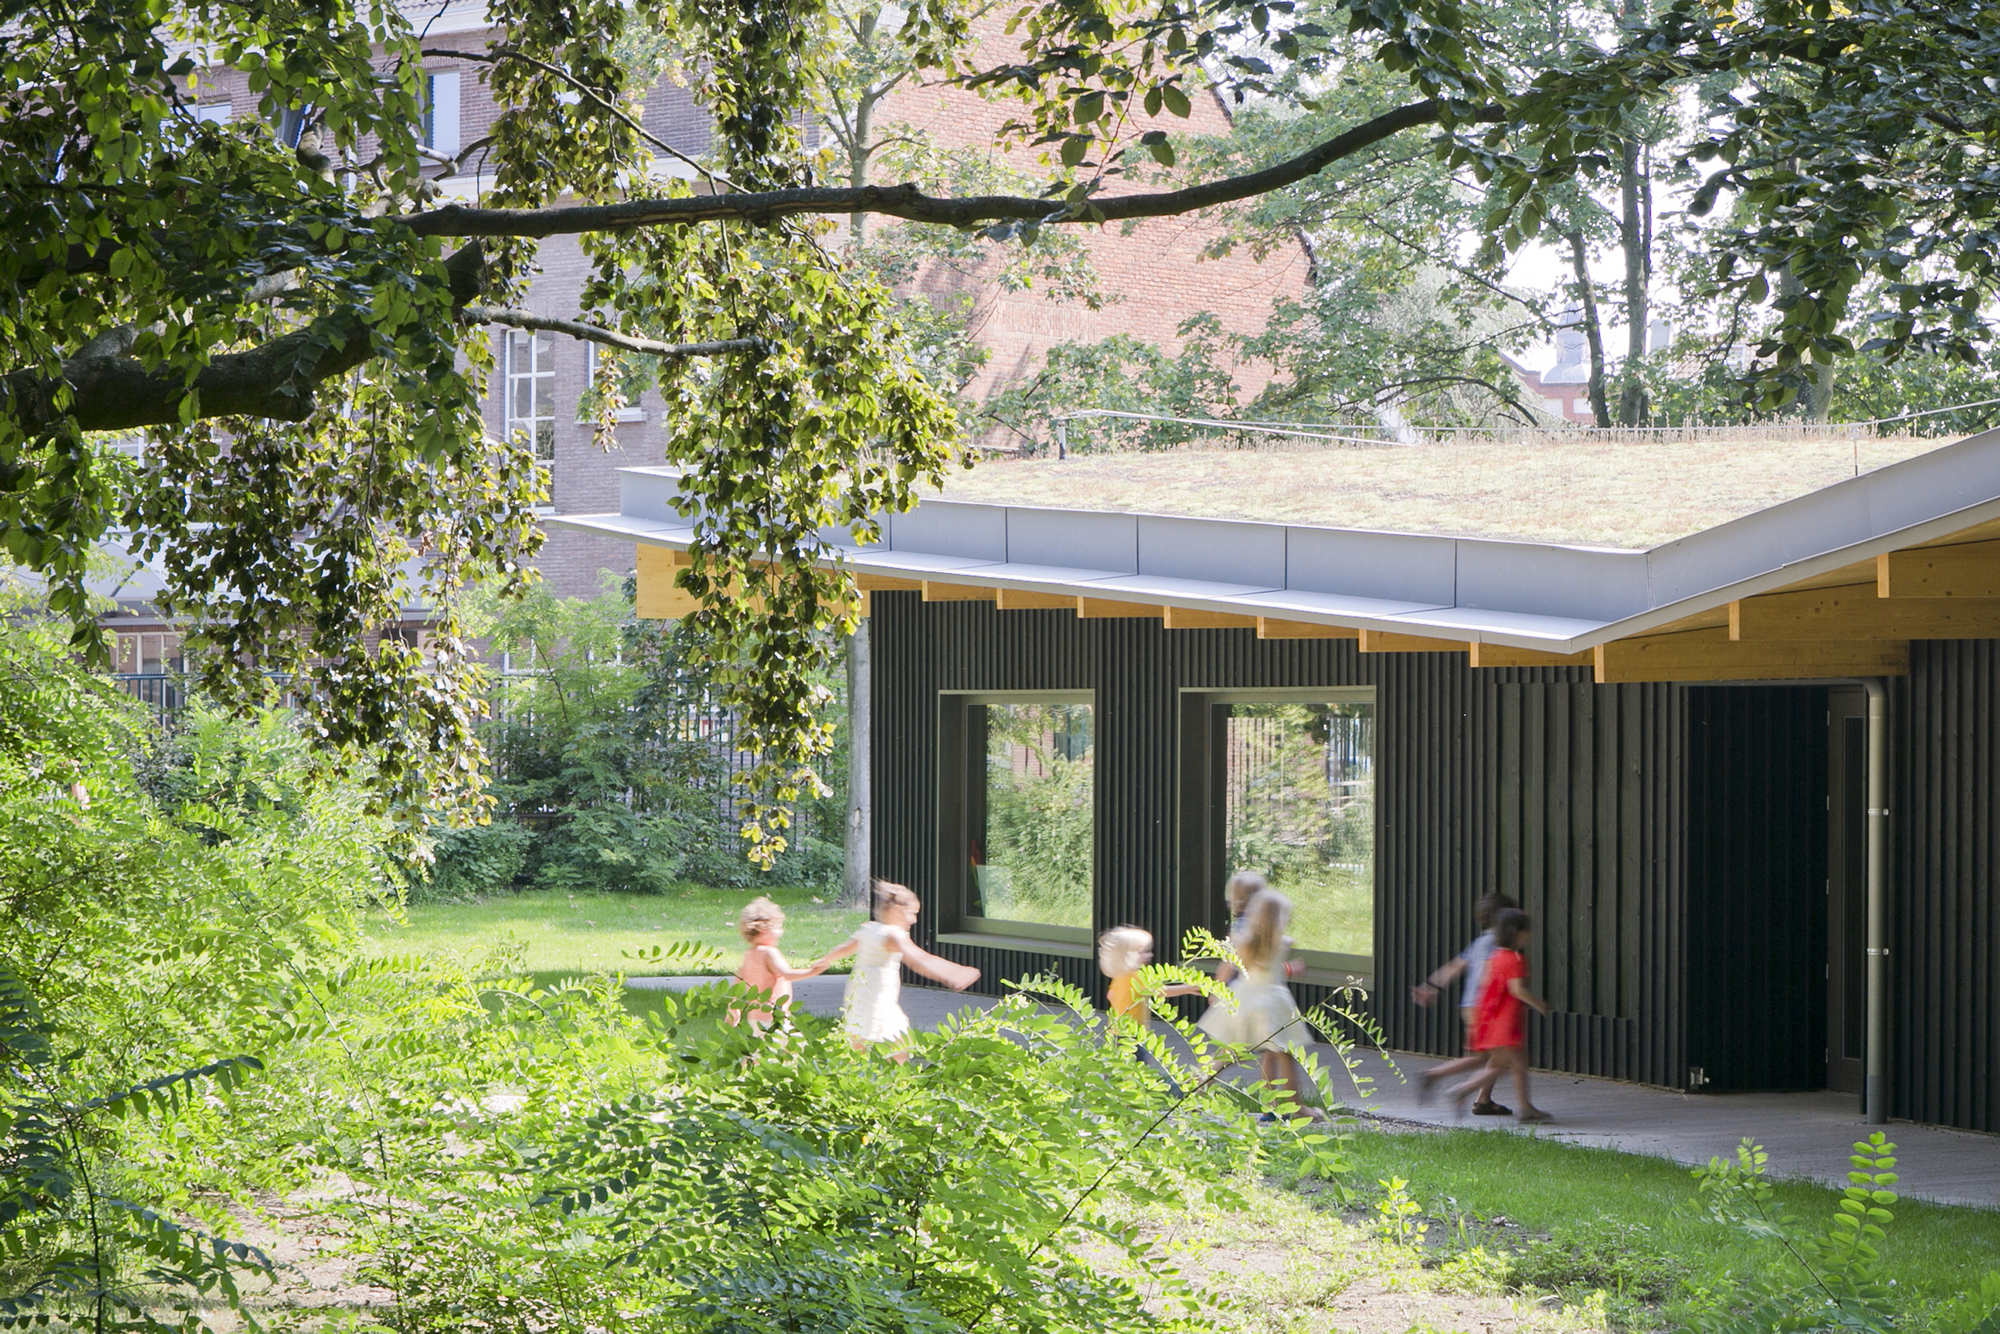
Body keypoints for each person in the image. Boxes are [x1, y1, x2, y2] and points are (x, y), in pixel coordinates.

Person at [812, 881, 980, 1060]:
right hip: (877, 996)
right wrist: (952, 973)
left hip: (860, 993)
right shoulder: (893, 935)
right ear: (897, 910)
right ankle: (897, 1079)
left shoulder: (870, 929)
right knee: (894, 1037)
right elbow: (919, 959)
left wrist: (826, 960)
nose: (914, 920)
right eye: (912, 914)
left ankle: (855, 1077)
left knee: (865, 1035)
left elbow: (846, 947)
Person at [1200, 888, 1317, 1117]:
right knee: (1283, 1055)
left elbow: (1229, 966)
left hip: (1243, 997)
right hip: (1271, 1003)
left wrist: (1216, 989)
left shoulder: (1242, 943)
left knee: (1228, 1053)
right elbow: (1272, 968)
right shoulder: (1283, 942)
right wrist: (1293, 967)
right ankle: (1296, 1107)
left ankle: (1195, 1090)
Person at [1413, 893, 1518, 1114]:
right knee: (1507, 1060)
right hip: (1487, 1007)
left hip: (1469, 1007)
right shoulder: (1496, 944)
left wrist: (1431, 986)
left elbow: (1454, 966)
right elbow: (1488, 975)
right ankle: (1459, 1088)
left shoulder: (1479, 942)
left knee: (1481, 1057)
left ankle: (1477, 1098)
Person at [1446, 907, 1553, 1123]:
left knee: (1502, 1064)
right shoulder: (1515, 959)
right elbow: (1517, 990)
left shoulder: (1494, 957)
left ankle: (1525, 1108)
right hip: (1506, 1022)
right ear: (1518, 933)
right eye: (1527, 931)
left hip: (1490, 1018)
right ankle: (1465, 1090)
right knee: (1515, 1065)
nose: (1528, 936)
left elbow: (1486, 985)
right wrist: (1539, 1005)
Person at [728, 896, 829, 1030]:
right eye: (777, 928)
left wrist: (732, 1007)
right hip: (774, 1017)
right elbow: (788, 974)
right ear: (764, 930)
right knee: (793, 1048)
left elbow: (737, 982)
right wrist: (814, 971)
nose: (781, 932)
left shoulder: (749, 955)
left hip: (755, 1019)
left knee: (765, 1050)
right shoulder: (770, 953)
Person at [1097, 925, 1202, 1029]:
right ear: (1128, 954)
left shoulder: (1120, 975)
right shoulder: (1135, 977)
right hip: (1131, 1032)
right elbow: (1159, 991)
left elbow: (1110, 995)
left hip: (1116, 1029)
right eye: (1144, 952)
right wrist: (1187, 988)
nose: (1150, 955)